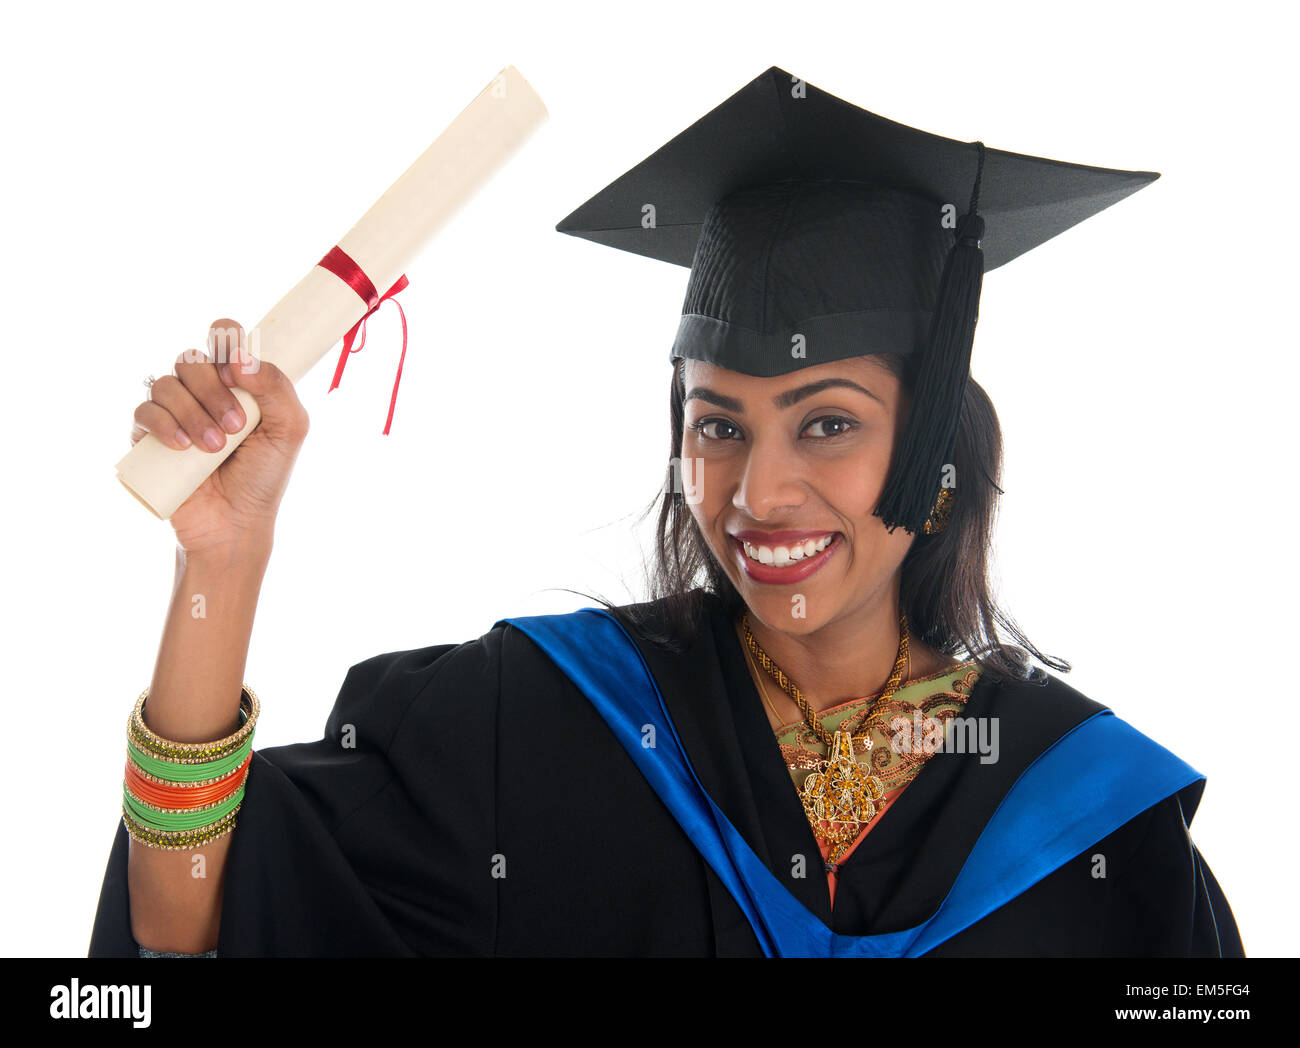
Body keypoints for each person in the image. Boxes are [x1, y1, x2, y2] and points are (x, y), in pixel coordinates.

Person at [89, 66, 1243, 958]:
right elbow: (185, 927)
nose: (759, 490)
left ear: (932, 439)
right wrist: (225, 555)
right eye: (717, 423)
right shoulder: (535, 724)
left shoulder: (1092, 826)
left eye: (827, 422)